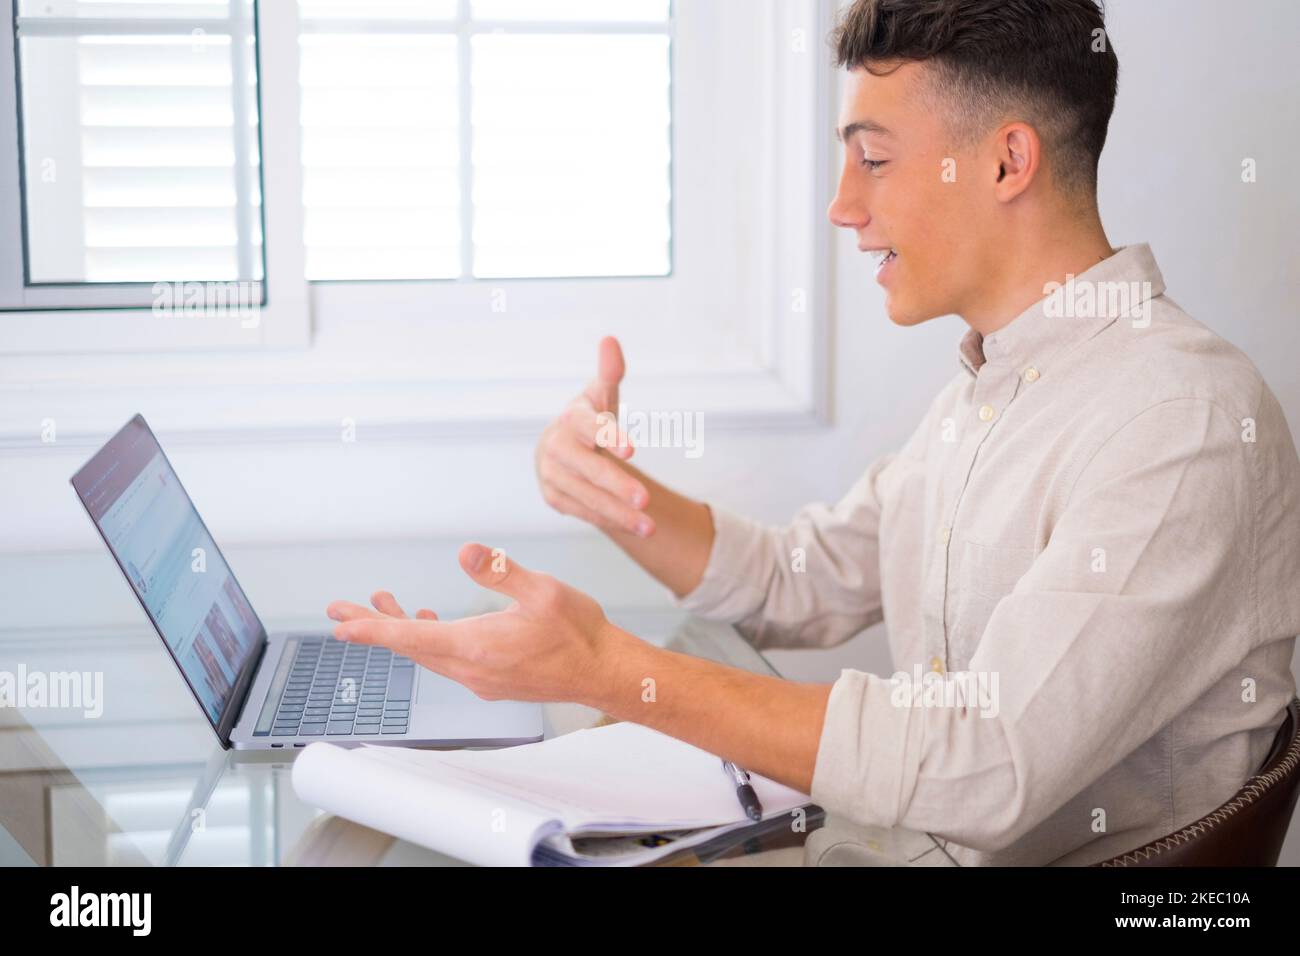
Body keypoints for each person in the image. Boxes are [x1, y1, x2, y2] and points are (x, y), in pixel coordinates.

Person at [327, 0, 1299, 865]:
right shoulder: (990, 387)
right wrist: (611, 496)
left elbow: (986, 759)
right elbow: (800, 580)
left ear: (1005, 160)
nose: (843, 204)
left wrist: (613, 671)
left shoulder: (1180, 422)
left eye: (873, 158)